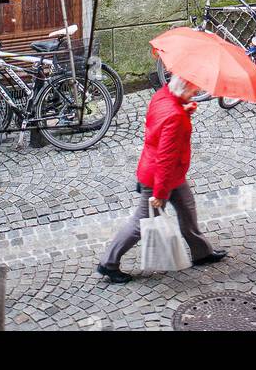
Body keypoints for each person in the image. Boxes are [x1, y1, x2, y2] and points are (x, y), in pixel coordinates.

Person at [98, 75, 228, 282]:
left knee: (187, 208)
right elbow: (165, 158)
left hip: (171, 175)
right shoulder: (175, 116)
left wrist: (185, 111)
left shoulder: (163, 96)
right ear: (183, 88)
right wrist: (159, 193)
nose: (196, 93)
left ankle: (202, 252)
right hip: (159, 178)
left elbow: (161, 125)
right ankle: (108, 263)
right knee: (141, 222)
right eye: (194, 90)